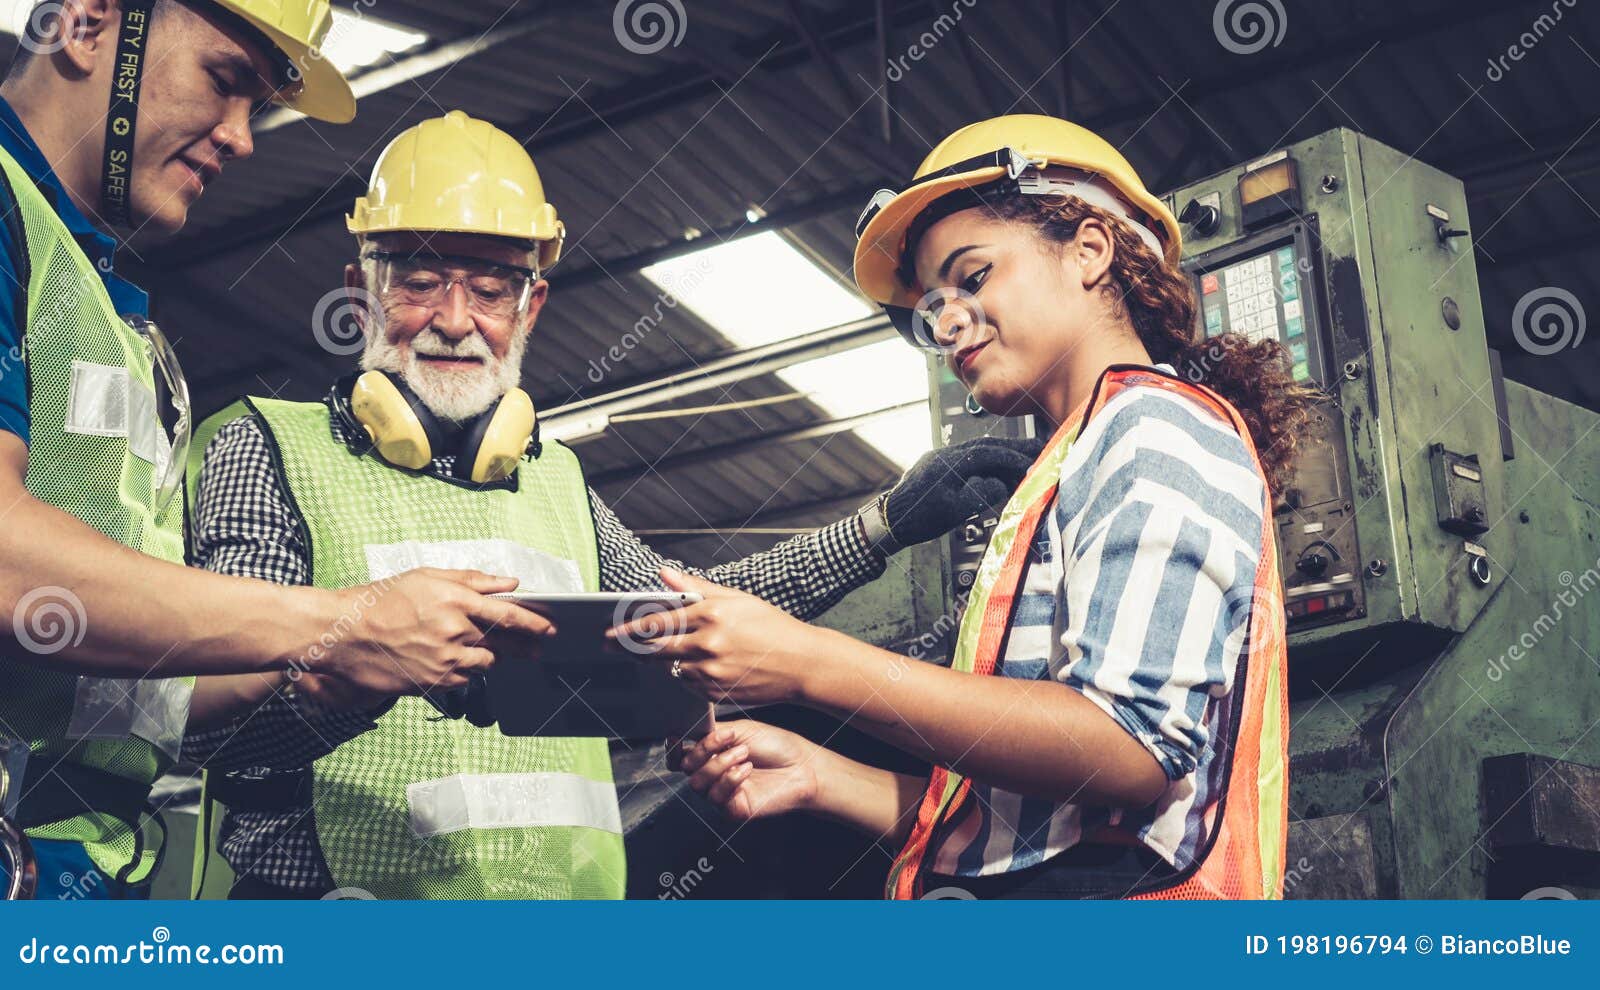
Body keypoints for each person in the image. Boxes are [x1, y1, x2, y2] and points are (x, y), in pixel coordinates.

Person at [182, 110, 1040, 900]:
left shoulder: (554, 480)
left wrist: (880, 525)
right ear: (363, 290)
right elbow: (203, 739)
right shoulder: (269, 452)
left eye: (488, 289)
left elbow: (692, 616)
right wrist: (347, 680)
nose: (454, 319)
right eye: (419, 281)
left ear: (531, 306)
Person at [633, 114, 1312, 899]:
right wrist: (824, 776)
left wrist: (806, 662)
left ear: (1090, 251)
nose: (947, 319)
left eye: (974, 277)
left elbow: (1126, 747)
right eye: (934, 305)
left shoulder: (1151, 426)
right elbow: (1038, 836)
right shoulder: (1078, 453)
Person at [0, 2, 551, 902]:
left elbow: (133, 700)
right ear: (92, 21)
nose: (242, 138)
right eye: (225, 81)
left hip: (80, 870)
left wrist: (344, 665)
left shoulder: (102, 305)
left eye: (257, 105)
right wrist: (348, 617)